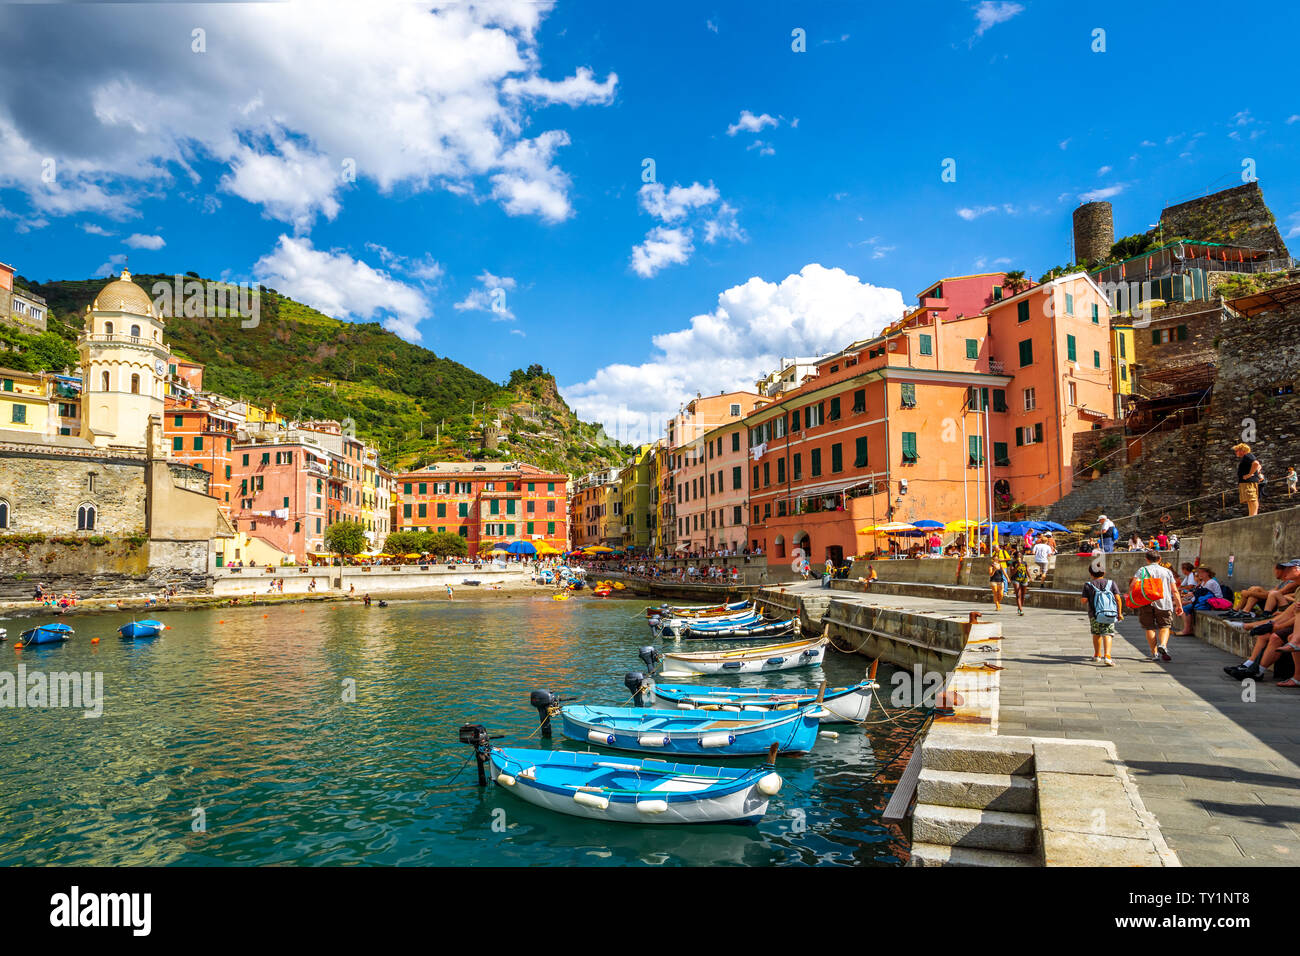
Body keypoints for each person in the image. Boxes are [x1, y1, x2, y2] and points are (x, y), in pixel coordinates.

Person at [1129, 549, 1182, 662]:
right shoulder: (1167, 572)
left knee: (1149, 627)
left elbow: (1133, 585)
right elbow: (1174, 590)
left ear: (1147, 559)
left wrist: (1131, 599)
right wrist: (1179, 605)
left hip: (1146, 602)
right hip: (1164, 602)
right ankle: (1163, 644)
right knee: (1165, 626)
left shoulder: (1142, 570)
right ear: (1160, 559)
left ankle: (1154, 654)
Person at [1082, 565, 1123, 666]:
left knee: (1096, 634)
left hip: (1094, 614)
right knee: (1107, 634)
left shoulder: (1088, 585)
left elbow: (1084, 600)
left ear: (1091, 574)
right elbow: (1118, 598)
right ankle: (1107, 656)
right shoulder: (1111, 583)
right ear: (1104, 573)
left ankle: (1097, 655)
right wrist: (1119, 613)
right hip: (1110, 613)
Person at [1176, 566, 1223, 637]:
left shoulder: (1210, 582)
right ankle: (1188, 628)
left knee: (1185, 609)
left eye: (1202, 572)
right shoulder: (1203, 582)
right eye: (1199, 572)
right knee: (1185, 606)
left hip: (1213, 602)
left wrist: (1190, 602)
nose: (1200, 574)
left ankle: (1187, 629)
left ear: (1207, 573)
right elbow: (1199, 595)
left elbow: (1204, 595)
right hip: (1204, 601)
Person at [1233, 442, 1263, 517]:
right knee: (1249, 499)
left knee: (1252, 498)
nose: (1236, 452)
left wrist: (1250, 474)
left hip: (1249, 481)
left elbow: (1256, 463)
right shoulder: (1246, 457)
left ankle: (1253, 515)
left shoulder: (1247, 455)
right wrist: (1256, 472)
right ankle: (1251, 515)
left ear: (1242, 450)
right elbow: (1259, 466)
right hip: (1247, 481)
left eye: (1237, 450)